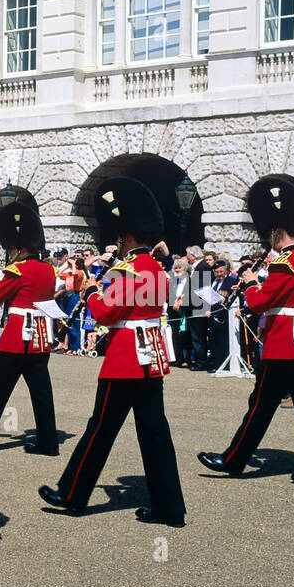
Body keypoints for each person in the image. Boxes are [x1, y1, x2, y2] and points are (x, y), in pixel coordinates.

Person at [38, 177, 186, 527]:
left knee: (100, 428)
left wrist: (90, 289)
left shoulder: (128, 269)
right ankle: (170, 506)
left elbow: (105, 313)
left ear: (128, 235)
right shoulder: (156, 269)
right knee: (155, 433)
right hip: (150, 357)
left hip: (125, 361)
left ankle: (72, 493)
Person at [198, 180, 294, 490]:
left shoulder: (286, 262)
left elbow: (260, 302)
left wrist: (248, 282)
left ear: (277, 231)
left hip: (284, 344)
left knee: (260, 405)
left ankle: (233, 459)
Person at [0, 200, 59, 456]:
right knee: (42, 393)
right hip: (39, 337)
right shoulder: (48, 270)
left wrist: (6, 274)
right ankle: (48, 441)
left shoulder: (17, 269)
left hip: (16, 338)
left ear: (17, 248)